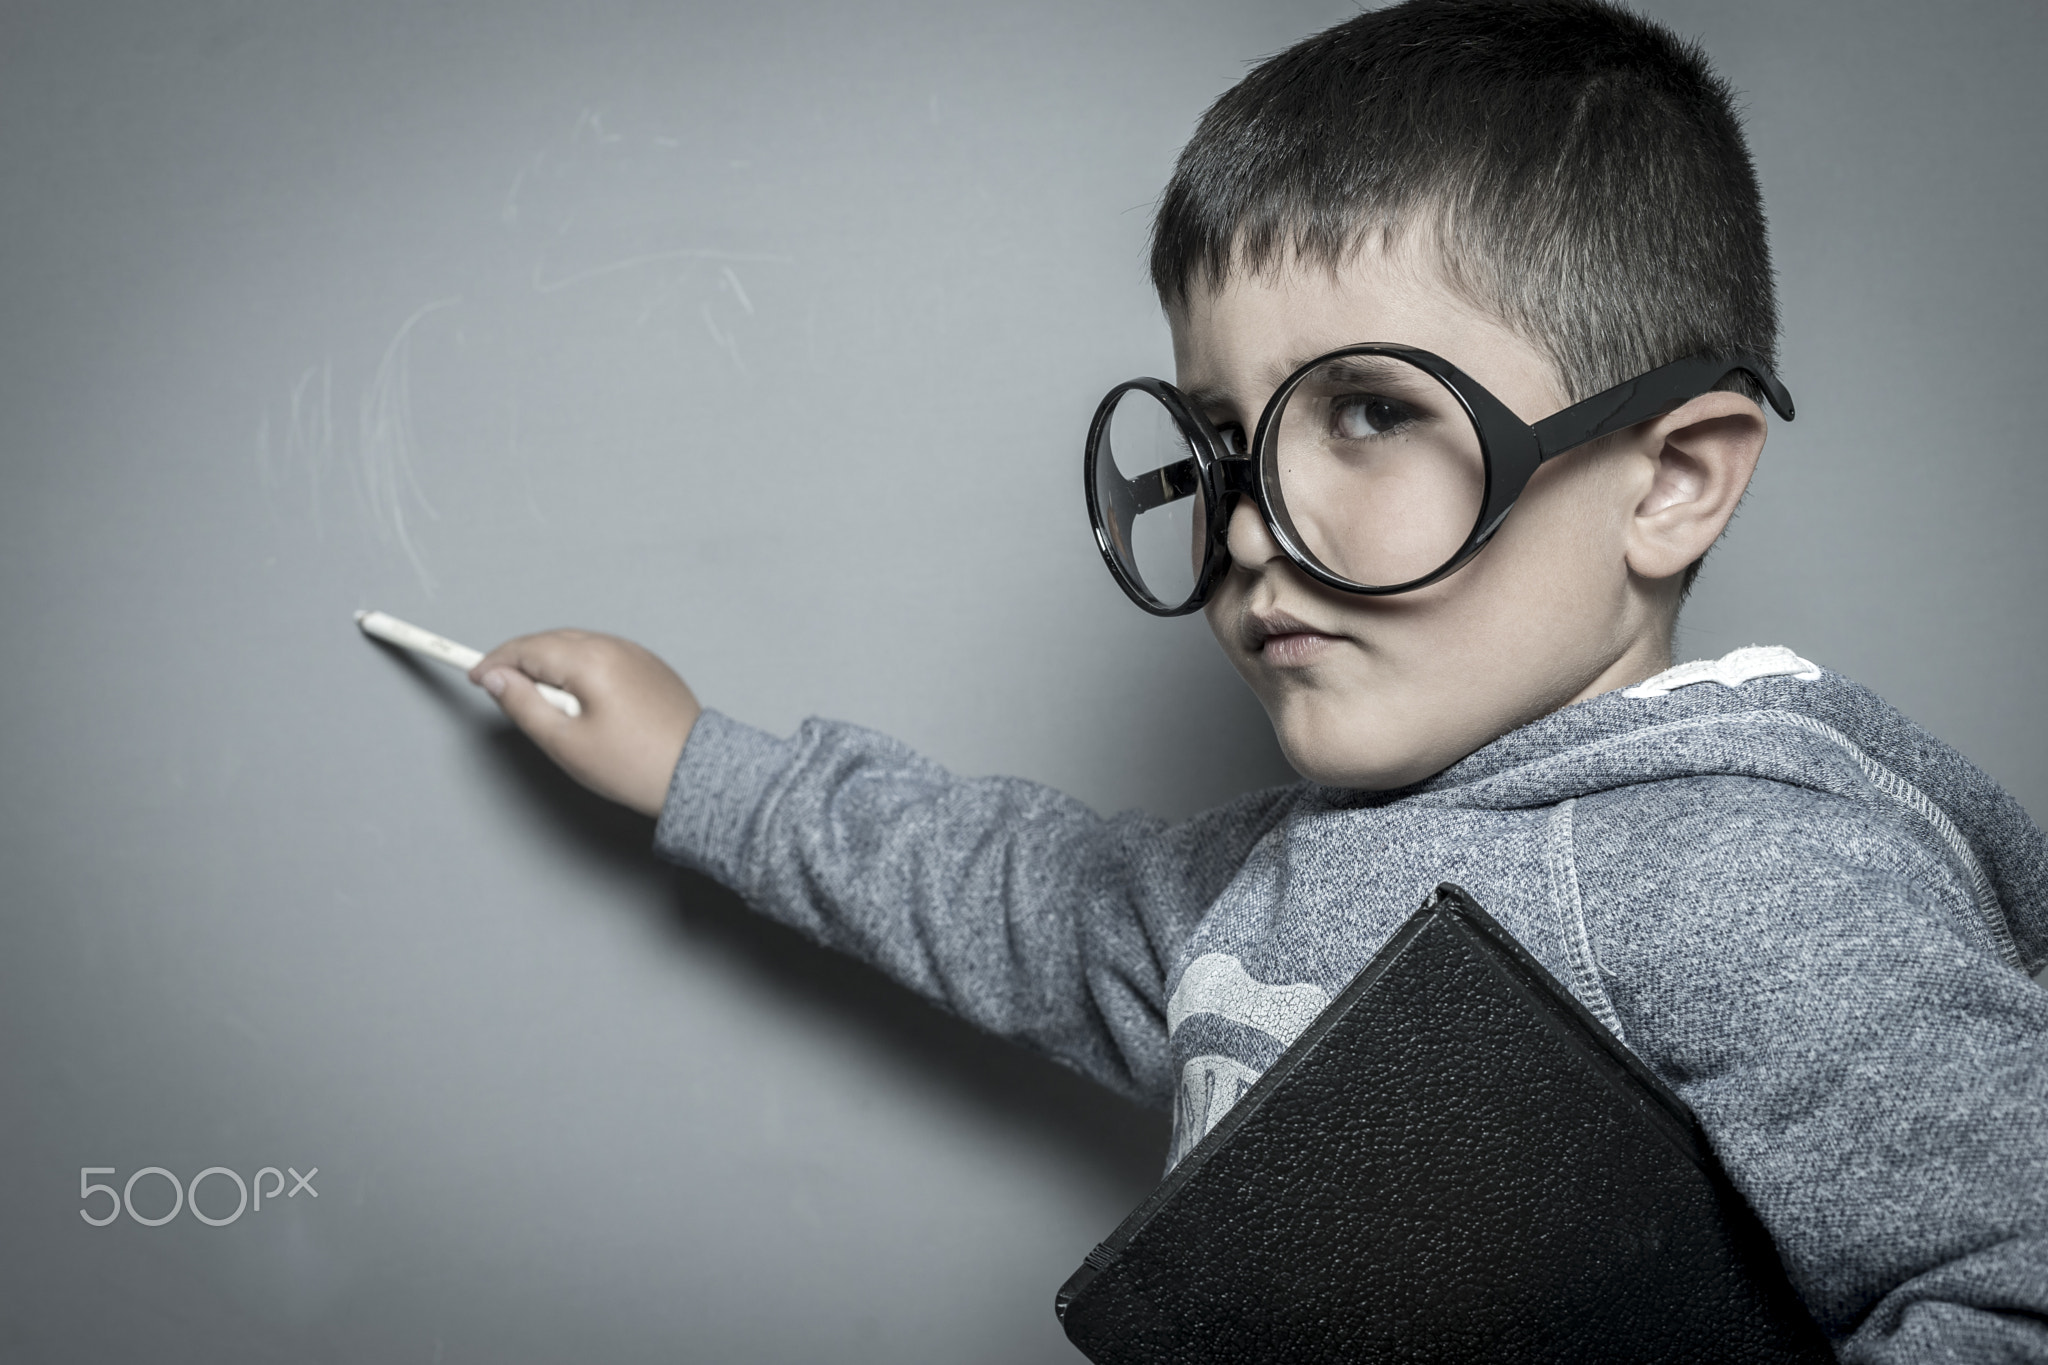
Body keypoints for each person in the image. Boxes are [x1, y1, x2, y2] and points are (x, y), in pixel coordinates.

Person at [466, 1, 2048, 1357]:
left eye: (1366, 412)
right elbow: (1015, 891)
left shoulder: (1755, 877)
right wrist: (702, 763)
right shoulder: (1262, 887)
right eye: (1223, 440)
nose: (1248, 533)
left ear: (1674, 480)